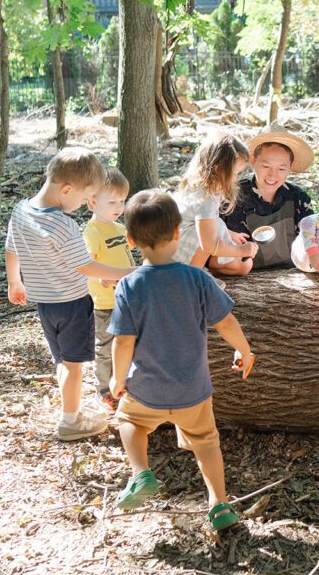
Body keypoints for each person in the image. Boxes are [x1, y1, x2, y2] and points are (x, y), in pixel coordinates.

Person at [108, 190, 255, 532]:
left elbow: (123, 340)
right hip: (193, 389)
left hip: (146, 390)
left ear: (130, 239)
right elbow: (226, 322)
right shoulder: (197, 277)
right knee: (206, 443)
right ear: (177, 232)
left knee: (129, 421)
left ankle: (141, 473)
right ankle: (219, 502)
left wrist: (118, 379)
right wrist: (244, 351)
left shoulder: (128, 286)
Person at [5, 147, 135, 441]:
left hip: (46, 306)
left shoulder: (21, 210)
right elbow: (86, 266)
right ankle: (71, 421)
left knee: (63, 361)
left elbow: (11, 248)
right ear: (66, 189)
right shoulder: (63, 224)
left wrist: (15, 282)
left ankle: (70, 409)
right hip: (73, 304)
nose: (82, 204)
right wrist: (130, 273)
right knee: (74, 366)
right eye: (82, 198)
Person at [220, 127, 315, 273]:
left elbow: (311, 238)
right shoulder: (233, 197)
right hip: (245, 275)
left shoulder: (299, 198)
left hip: (294, 273)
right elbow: (221, 252)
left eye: (281, 169)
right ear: (253, 161)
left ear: (291, 167)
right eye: (266, 166)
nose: (272, 175)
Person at [82, 166, 135, 411]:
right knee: (105, 347)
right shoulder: (92, 232)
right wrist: (101, 278)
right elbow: (87, 267)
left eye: (122, 201)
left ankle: (124, 383)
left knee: (127, 343)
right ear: (92, 202)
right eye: (112, 201)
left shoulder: (120, 229)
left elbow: (127, 258)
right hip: (104, 302)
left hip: (126, 299)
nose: (118, 207)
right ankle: (104, 391)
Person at [172, 134, 258, 279]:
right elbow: (208, 244)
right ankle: (192, 276)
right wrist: (242, 251)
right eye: (234, 173)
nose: (236, 178)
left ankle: (204, 269)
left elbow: (207, 221)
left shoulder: (200, 185)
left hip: (174, 242)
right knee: (243, 264)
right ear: (219, 168)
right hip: (177, 249)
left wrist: (229, 234)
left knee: (244, 265)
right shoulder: (205, 197)